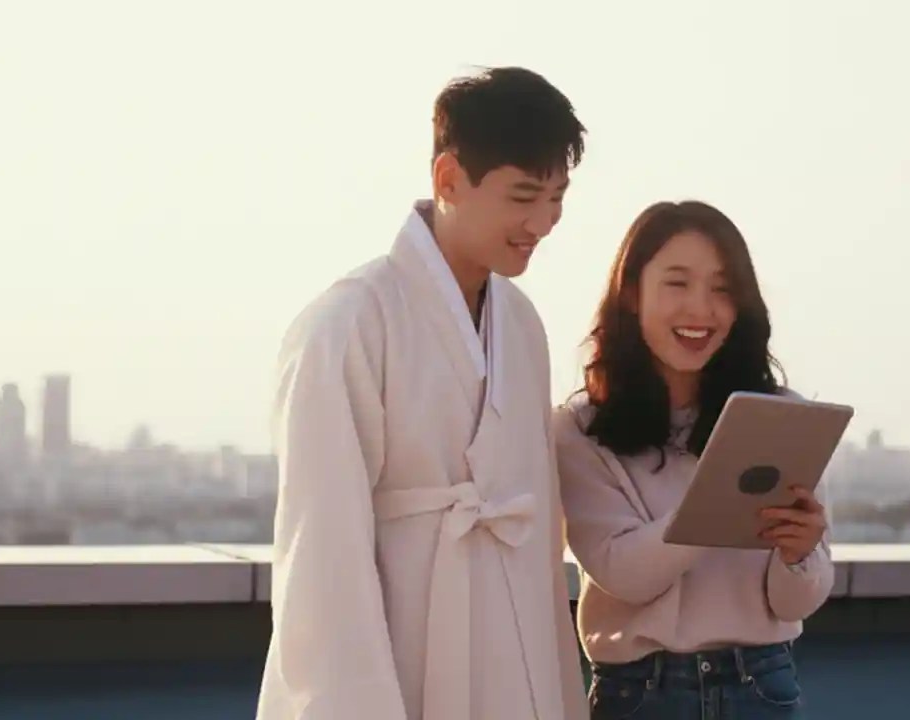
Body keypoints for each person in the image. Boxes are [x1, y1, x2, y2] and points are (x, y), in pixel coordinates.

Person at [256, 66, 590, 720]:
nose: (543, 222)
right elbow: (322, 558)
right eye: (524, 196)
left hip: (511, 658)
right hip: (402, 652)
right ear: (448, 179)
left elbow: (542, 538)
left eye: (557, 198)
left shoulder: (521, 325)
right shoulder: (349, 323)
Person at [553, 200, 834, 719]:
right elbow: (624, 573)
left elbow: (794, 604)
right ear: (632, 293)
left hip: (762, 684)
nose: (701, 309)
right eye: (677, 283)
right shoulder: (579, 428)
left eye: (722, 288)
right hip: (642, 692)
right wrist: (722, 499)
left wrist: (800, 554)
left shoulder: (782, 418)